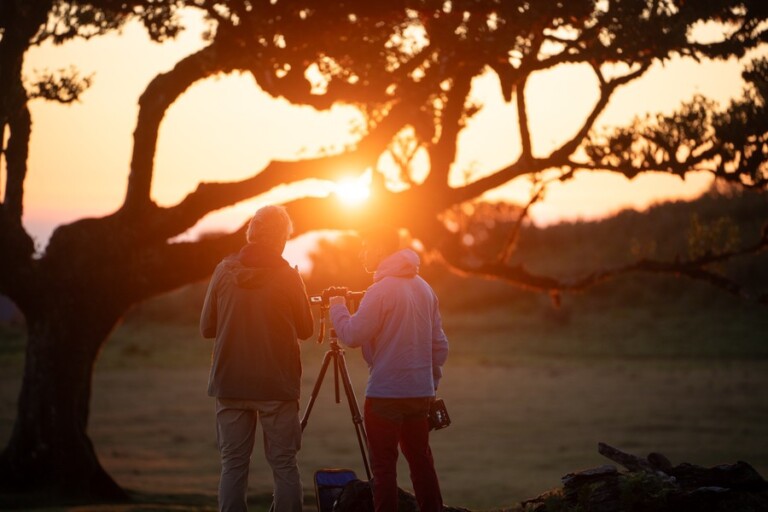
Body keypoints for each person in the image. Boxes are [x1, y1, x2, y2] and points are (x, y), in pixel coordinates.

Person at [200, 205, 313, 512]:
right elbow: (306, 329)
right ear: (281, 239)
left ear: (251, 233)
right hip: (277, 384)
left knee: (233, 466)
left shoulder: (224, 271)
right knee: (284, 466)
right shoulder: (288, 277)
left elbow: (206, 327)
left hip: (230, 383)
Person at [328, 225, 449, 512]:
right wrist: (431, 384)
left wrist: (337, 306)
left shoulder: (379, 290)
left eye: (366, 245)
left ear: (381, 249)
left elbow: (353, 335)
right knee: (422, 463)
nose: (361, 253)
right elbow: (440, 346)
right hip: (420, 393)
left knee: (383, 470)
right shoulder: (425, 288)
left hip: (384, 394)